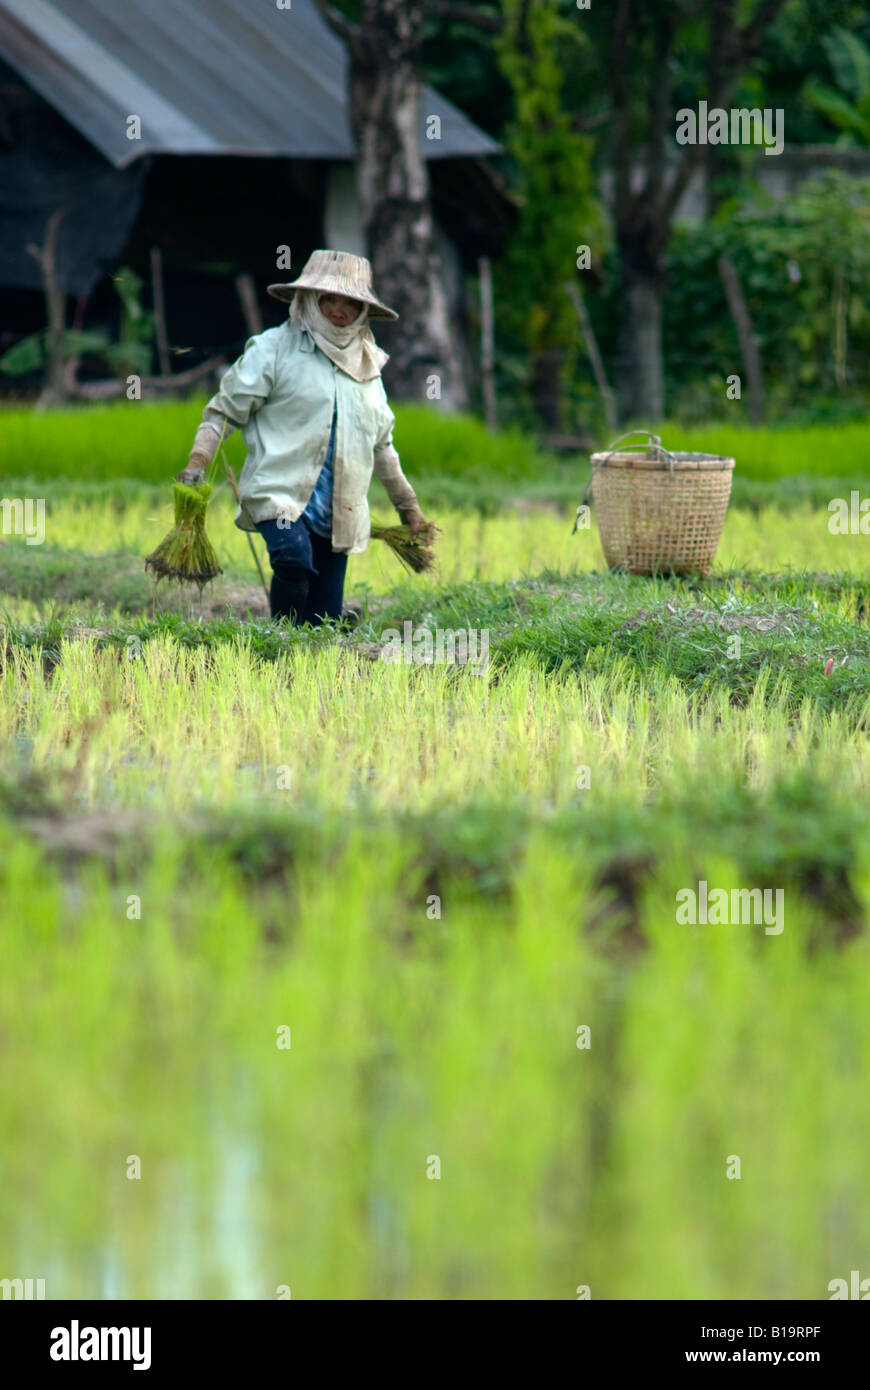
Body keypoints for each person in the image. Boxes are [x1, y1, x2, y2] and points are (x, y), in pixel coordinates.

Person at [177, 249, 427, 625]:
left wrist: (408, 507)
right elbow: (223, 412)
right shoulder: (273, 350)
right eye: (329, 299)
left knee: (320, 624)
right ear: (308, 298)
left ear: (362, 310)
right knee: (293, 559)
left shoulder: (368, 368)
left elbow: (383, 448)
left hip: (338, 511)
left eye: (350, 303)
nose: (339, 311)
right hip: (280, 496)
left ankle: (296, 661)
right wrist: (198, 462)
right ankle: (279, 640)